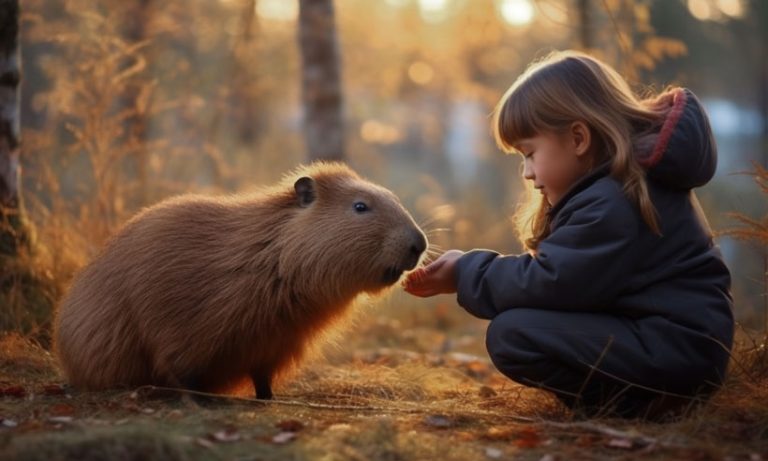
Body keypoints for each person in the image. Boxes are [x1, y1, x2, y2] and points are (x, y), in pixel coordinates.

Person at [403, 50, 734, 420]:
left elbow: (552, 282)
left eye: (530, 153)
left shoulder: (614, 201)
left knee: (514, 334)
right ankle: (634, 404)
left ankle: (637, 408)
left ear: (578, 138)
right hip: (674, 345)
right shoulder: (616, 187)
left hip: (676, 350)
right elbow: (569, 282)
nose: (527, 173)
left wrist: (466, 271)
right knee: (520, 328)